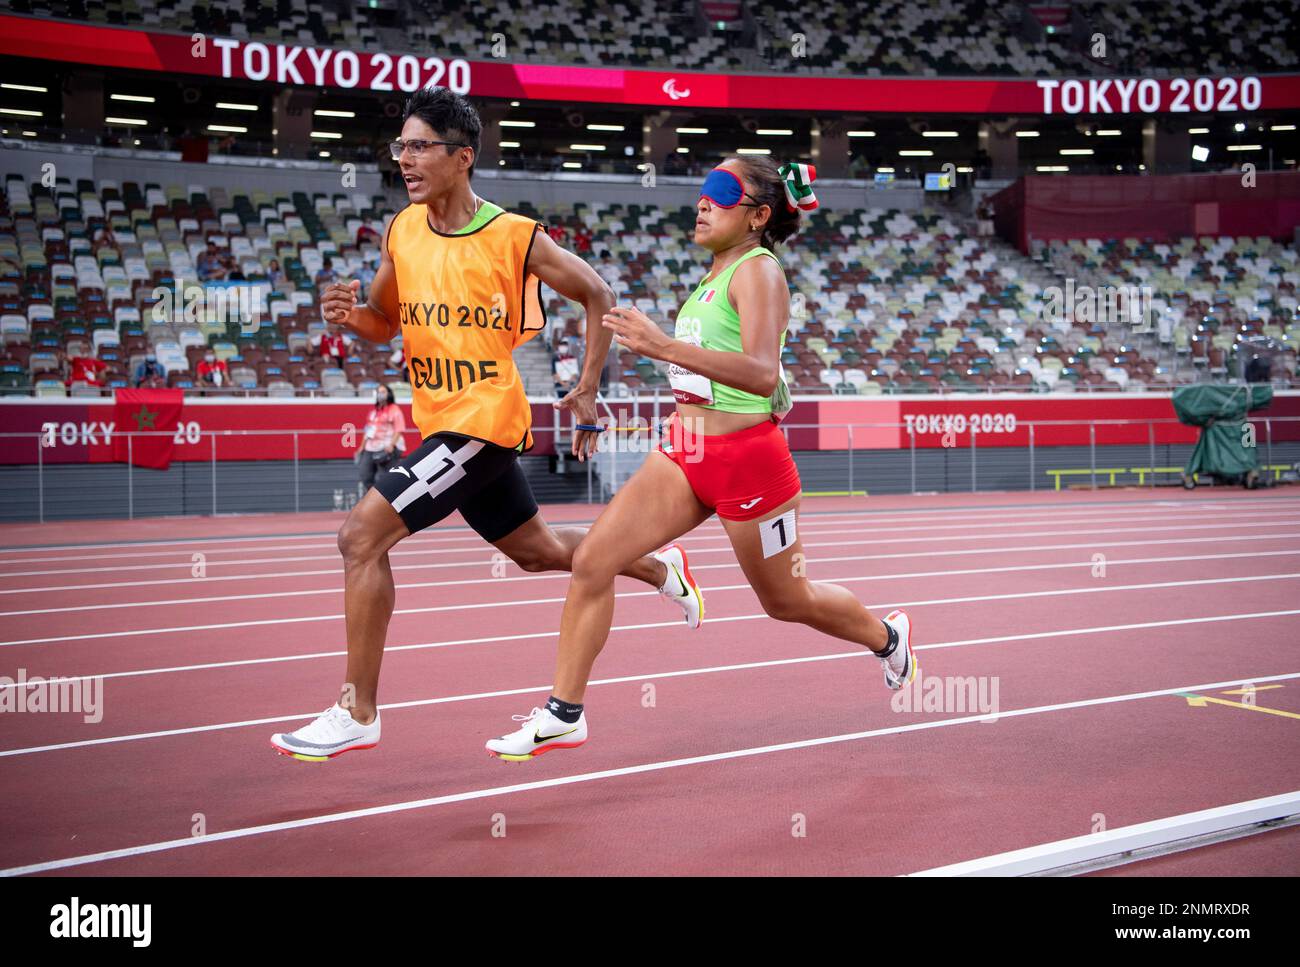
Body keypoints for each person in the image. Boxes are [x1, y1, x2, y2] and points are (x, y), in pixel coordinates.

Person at [270, 86, 702, 761]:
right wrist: (349, 317)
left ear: (461, 156)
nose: (404, 160)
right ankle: (655, 565)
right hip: (439, 421)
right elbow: (383, 322)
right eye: (399, 147)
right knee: (533, 553)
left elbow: (598, 292)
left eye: (419, 147)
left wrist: (586, 386)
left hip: (484, 422)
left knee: (360, 537)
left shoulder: (512, 236)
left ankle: (358, 709)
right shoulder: (402, 230)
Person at [485, 158, 917, 761]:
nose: (703, 203)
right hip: (684, 448)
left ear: (758, 217)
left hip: (748, 462)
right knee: (592, 561)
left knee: (786, 602)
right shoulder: (715, 274)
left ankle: (887, 636)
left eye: (722, 193)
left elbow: (763, 376)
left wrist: (663, 343)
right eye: (703, 192)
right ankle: (565, 713)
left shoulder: (759, 271)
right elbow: (701, 368)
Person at [355, 383, 407, 490]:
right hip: (370, 447)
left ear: (389, 394)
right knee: (365, 475)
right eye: (379, 392)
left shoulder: (394, 409)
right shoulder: (373, 411)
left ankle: (386, 501)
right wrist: (361, 446)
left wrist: (391, 445)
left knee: (385, 477)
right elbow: (368, 429)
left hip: (386, 447)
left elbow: (399, 429)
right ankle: (373, 498)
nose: (380, 394)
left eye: (383, 392)